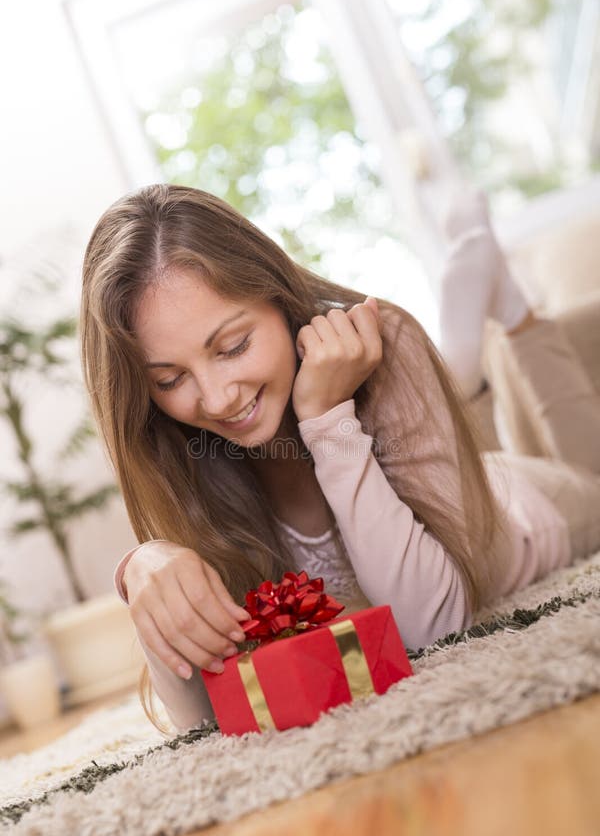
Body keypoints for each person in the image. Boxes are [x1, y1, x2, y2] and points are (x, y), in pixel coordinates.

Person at [80, 183, 600, 734]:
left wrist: (326, 417)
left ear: (279, 298)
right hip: (449, 481)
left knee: (589, 471)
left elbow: (437, 630)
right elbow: (202, 723)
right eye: (170, 378)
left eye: (232, 347)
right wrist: (145, 569)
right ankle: (477, 335)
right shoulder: (177, 447)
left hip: (525, 511)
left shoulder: (381, 341)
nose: (216, 398)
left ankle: (515, 318)